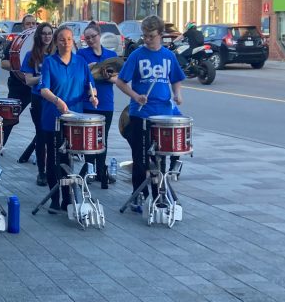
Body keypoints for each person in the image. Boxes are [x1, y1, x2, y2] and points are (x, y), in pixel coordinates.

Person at [116, 15, 185, 212]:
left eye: (151, 36)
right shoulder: (137, 55)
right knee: (140, 158)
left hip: (163, 115)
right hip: (141, 114)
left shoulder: (168, 56)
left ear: (161, 34)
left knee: (160, 158)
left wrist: (177, 93)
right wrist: (135, 96)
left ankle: (158, 196)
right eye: (144, 36)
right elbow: (121, 81)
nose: (146, 39)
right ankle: (138, 195)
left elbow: (176, 78)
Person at [38, 25, 98, 212]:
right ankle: (55, 198)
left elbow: (90, 86)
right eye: (62, 40)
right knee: (54, 159)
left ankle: (68, 198)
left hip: (74, 119)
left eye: (69, 39)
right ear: (56, 42)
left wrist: (93, 96)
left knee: (68, 158)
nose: (66, 43)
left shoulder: (81, 62)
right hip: (53, 118)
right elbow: (43, 89)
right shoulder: (49, 62)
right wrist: (57, 101)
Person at [77, 22, 116, 189]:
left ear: (99, 36)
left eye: (93, 36)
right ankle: (89, 169)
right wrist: (90, 68)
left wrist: (107, 76)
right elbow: (79, 73)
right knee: (89, 138)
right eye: (87, 38)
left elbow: (117, 79)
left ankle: (101, 170)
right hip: (88, 101)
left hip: (106, 102)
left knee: (103, 138)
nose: (91, 40)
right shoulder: (82, 54)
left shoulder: (111, 55)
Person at [18, 22, 55, 187]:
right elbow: (28, 80)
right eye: (44, 33)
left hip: (54, 99)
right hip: (39, 99)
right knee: (41, 135)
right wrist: (45, 76)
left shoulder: (57, 54)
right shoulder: (31, 55)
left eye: (49, 33)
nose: (47, 36)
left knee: (53, 136)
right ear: (39, 36)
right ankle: (41, 171)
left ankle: (53, 169)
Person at [1, 14, 38, 147]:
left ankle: (38, 148)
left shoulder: (42, 44)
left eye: (34, 23)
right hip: (19, 87)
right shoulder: (15, 42)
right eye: (28, 24)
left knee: (42, 121)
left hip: (38, 88)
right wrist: (19, 66)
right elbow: (3, 63)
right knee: (10, 118)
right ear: (23, 26)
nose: (31, 26)